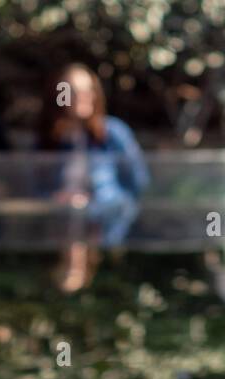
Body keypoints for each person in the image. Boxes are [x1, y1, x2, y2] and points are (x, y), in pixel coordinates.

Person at [38, 63, 150, 283]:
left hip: (102, 219)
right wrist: (55, 198)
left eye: (87, 90)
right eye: (73, 91)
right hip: (63, 221)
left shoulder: (113, 133)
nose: (82, 97)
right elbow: (35, 185)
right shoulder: (50, 138)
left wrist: (98, 202)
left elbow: (138, 182)